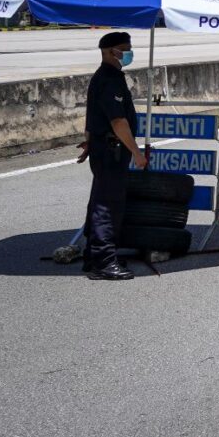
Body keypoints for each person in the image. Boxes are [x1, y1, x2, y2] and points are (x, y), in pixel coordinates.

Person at [77, 31, 147, 280]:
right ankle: (104, 262)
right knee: (108, 205)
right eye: (124, 48)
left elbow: (93, 116)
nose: (128, 53)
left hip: (103, 147)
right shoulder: (109, 79)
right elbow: (118, 121)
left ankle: (93, 255)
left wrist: (89, 141)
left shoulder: (106, 77)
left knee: (100, 201)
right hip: (112, 150)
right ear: (109, 51)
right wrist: (136, 152)